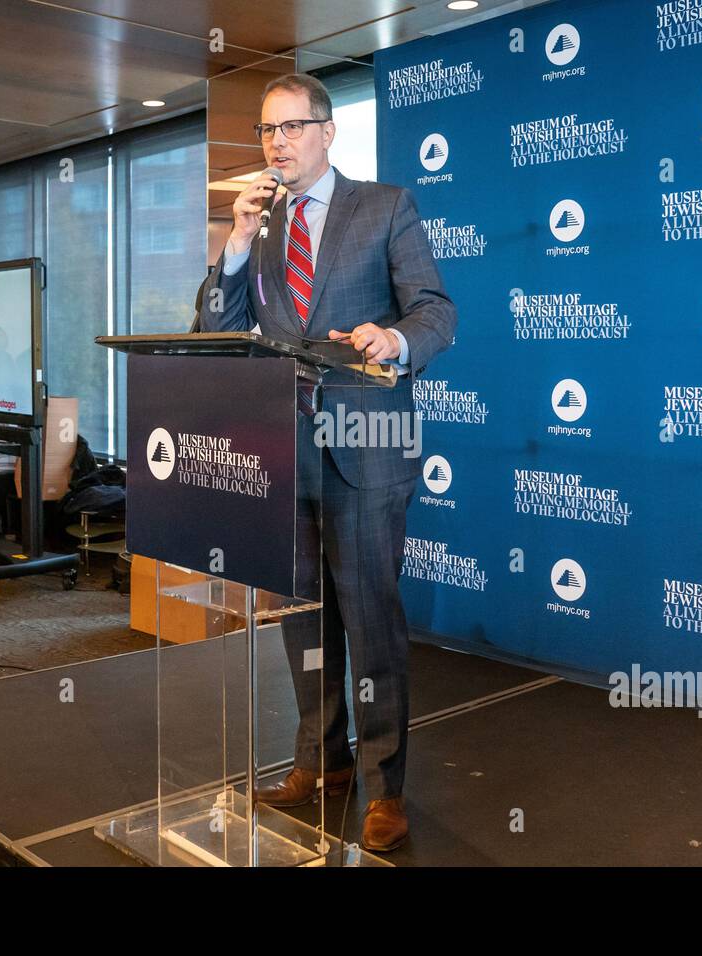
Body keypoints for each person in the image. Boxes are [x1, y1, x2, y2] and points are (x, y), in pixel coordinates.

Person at [198, 74, 457, 851]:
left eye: (292, 127)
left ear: (328, 131)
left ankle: (387, 788)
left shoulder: (384, 207)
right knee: (302, 621)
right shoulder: (261, 227)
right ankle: (322, 761)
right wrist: (235, 248)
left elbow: (436, 312)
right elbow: (215, 326)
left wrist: (393, 339)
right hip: (286, 454)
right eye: (267, 130)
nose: (277, 142)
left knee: (371, 621)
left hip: (368, 451)